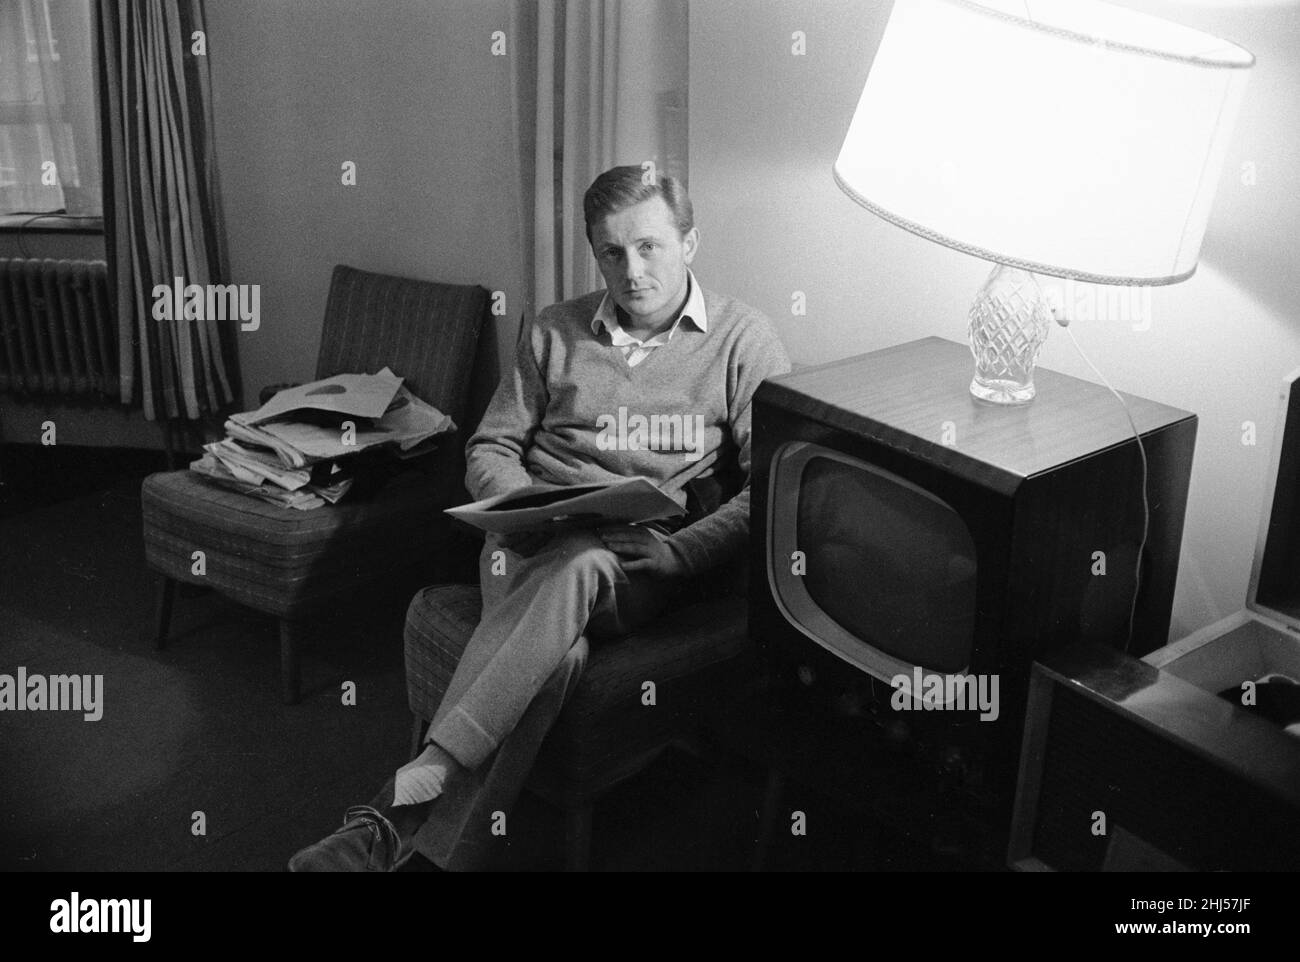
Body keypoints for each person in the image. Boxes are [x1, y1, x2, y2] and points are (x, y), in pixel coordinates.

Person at [288, 165, 791, 871]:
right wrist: (517, 504)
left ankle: (396, 807)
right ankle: (426, 855)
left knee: (585, 561)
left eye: (649, 247)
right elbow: (492, 441)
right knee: (561, 655)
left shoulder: (743, 340)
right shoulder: (556, 328)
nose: (632, 270)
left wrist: (687, 554)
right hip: (527, 541)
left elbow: (770, 481)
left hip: (635, 564)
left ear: (690, 242)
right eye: (611, 252)